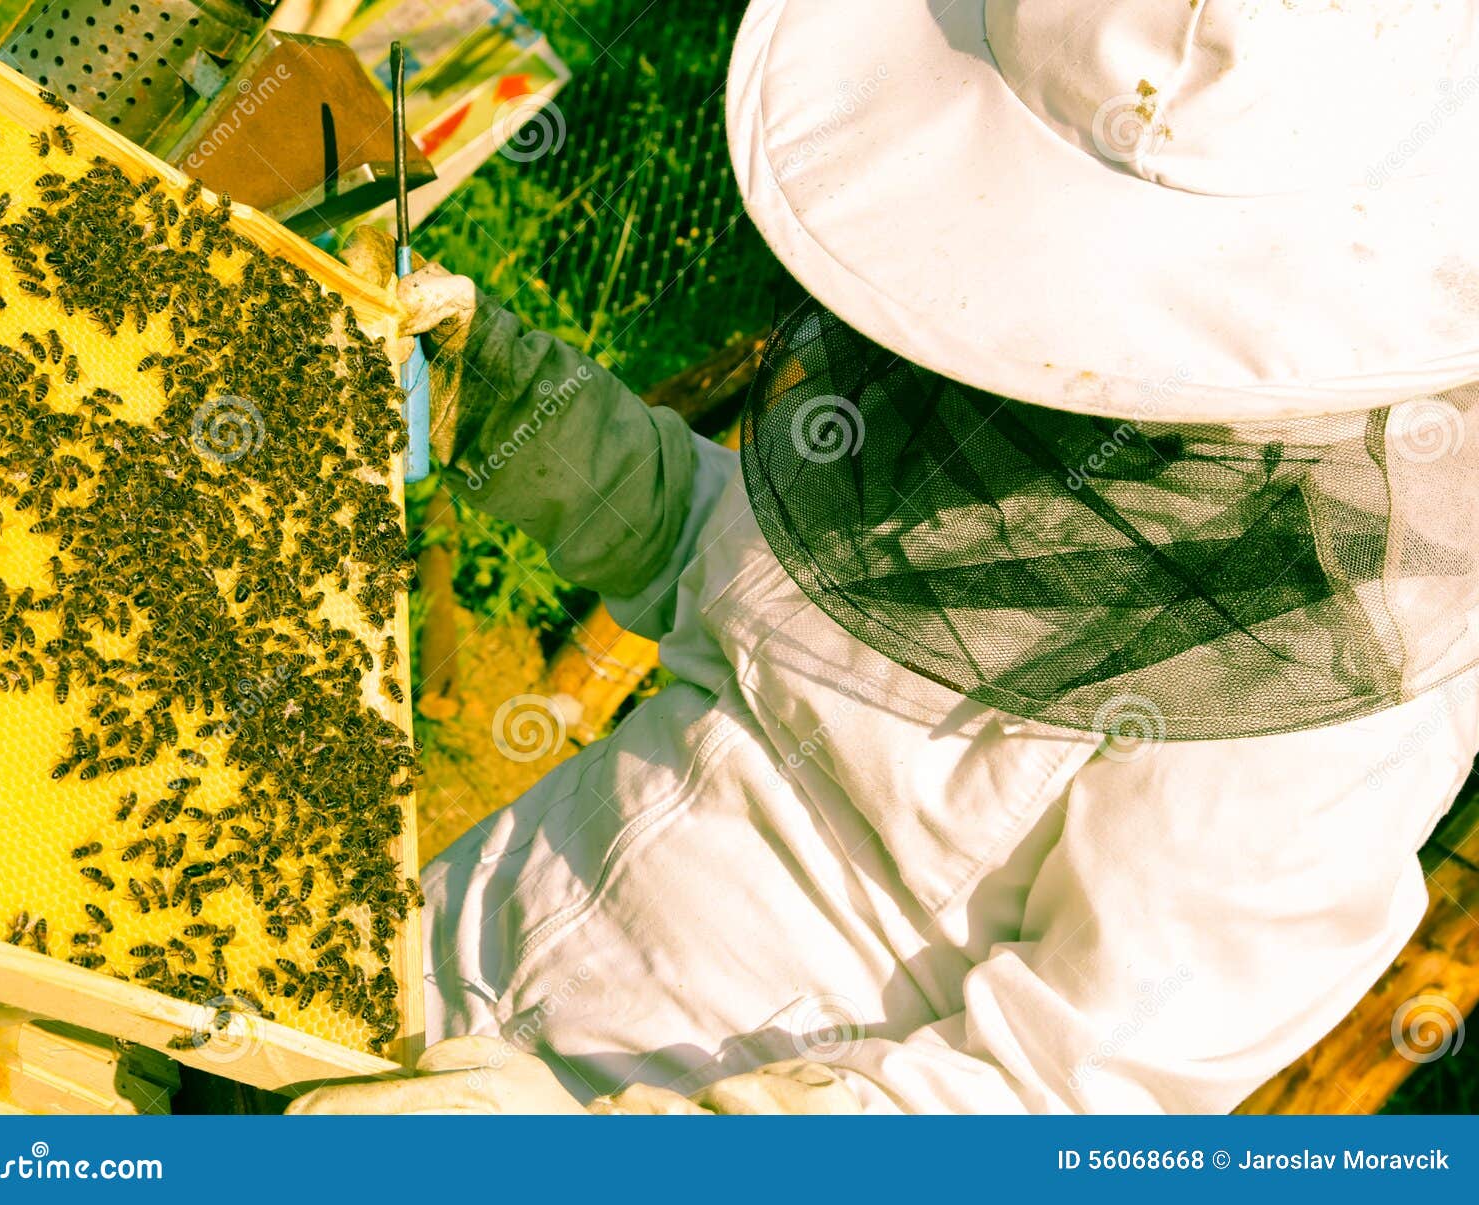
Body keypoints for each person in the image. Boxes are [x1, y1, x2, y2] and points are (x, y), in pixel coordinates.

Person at [292, 0, 1479, 1113]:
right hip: (411, 945)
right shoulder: (990, 372)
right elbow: (740, 581)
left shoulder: (1346, 680)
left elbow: (1054, 1091)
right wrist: (494, 397)